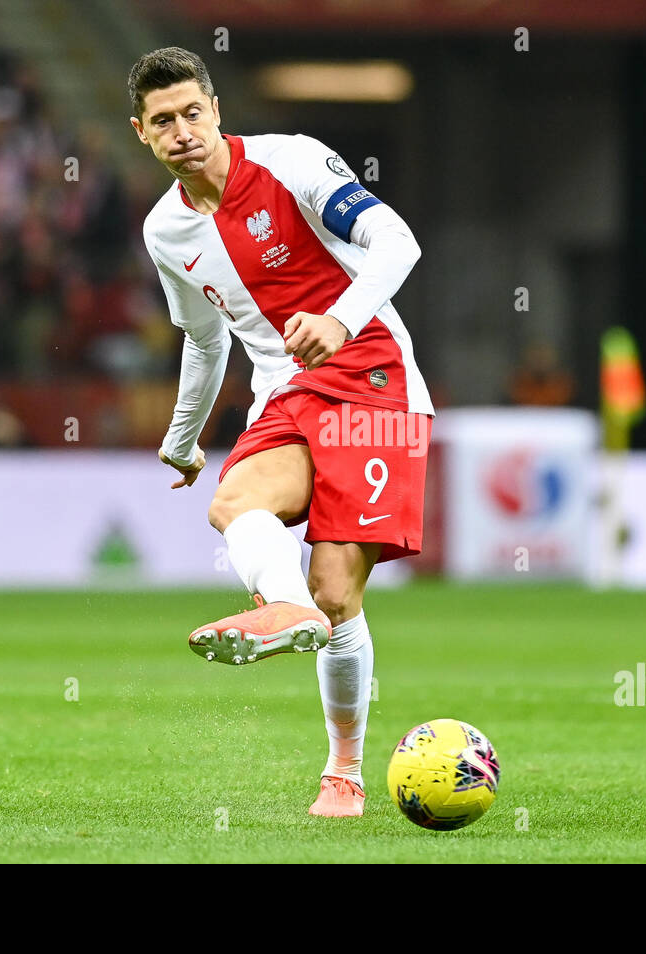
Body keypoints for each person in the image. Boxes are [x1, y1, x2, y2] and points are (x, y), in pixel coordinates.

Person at [129, 48, 434, 818]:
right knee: (233, 503)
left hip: (373, 381)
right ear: (142, 133)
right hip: (288, 395)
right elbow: (206, 341)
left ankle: (346, 770)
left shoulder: (292, 164)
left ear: (217, 110)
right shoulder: (165, 230)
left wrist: (339, 318)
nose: (182, 131)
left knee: (339, 594)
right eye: (162, 121)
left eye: (192, 112)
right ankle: (283, 607)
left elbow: (397, 242)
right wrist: (183, 436)